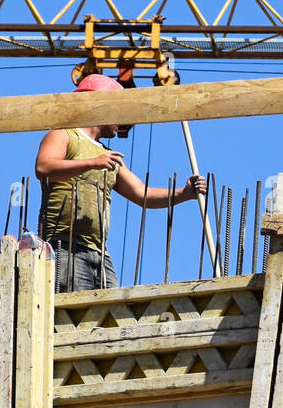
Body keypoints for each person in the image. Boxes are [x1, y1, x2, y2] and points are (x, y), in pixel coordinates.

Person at [34, 74, 207, 291]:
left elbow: (142, 194)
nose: (122, 120)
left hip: (100, 253)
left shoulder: (108, 156)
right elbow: (43, 168)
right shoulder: (65, 134)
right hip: (65, 246)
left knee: (107, 316)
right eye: (118, 110)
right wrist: (91, 163)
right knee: (73, 317)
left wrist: (184, 194)